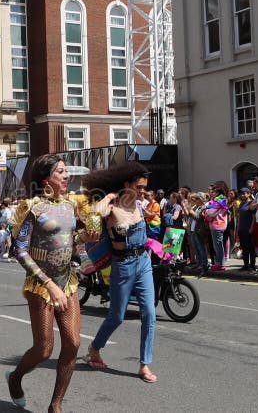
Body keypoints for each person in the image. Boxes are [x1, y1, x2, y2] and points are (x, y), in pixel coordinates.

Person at [6, 155, 95, 413]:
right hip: (40, 285)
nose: (66, 176)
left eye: (66, 172)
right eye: (60, 172)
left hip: (67, 281)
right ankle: (15, 377)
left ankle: (56, 405)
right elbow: (20, 251)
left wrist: (84, 237)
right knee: (44, 349)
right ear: (46, 178)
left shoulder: (69, 206)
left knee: (73, 344)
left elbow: (69, 241)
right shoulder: (32, 208)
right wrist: (49, 284)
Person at [80, 161, 157, 384]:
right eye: (139, 187)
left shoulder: (140, 206)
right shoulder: (112, 208)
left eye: (145, 187)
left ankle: (145, 364)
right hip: (122, 264)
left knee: (149, 313)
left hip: (143, 261)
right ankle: (94, 349)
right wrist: (107, 198)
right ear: (127, 184)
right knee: (117, 315)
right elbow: (96, 214)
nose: (143, 191)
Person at [204, 181, 229, 273]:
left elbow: (209, 212)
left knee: (218, 246)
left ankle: (221, 264)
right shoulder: (218, 200)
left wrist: (207, 211)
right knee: (217, 245)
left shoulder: (221, 200)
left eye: (213, 191)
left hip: (218, 225)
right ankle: (219, 263)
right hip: (215, 225)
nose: (211, 193)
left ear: (218, 192)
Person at [236, 188, 257, 271]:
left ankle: (252, 265)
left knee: (251, 248)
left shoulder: (251, 203)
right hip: (242, 229)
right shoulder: (241, 204)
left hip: (249, 229)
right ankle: (245, 265)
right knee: (244, 248)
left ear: (248, 194)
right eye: (241, 193)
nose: (242, 195)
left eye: (244, 193)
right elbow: (239, 217)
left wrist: (251, 228)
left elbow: (254, 218)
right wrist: (238, 228)